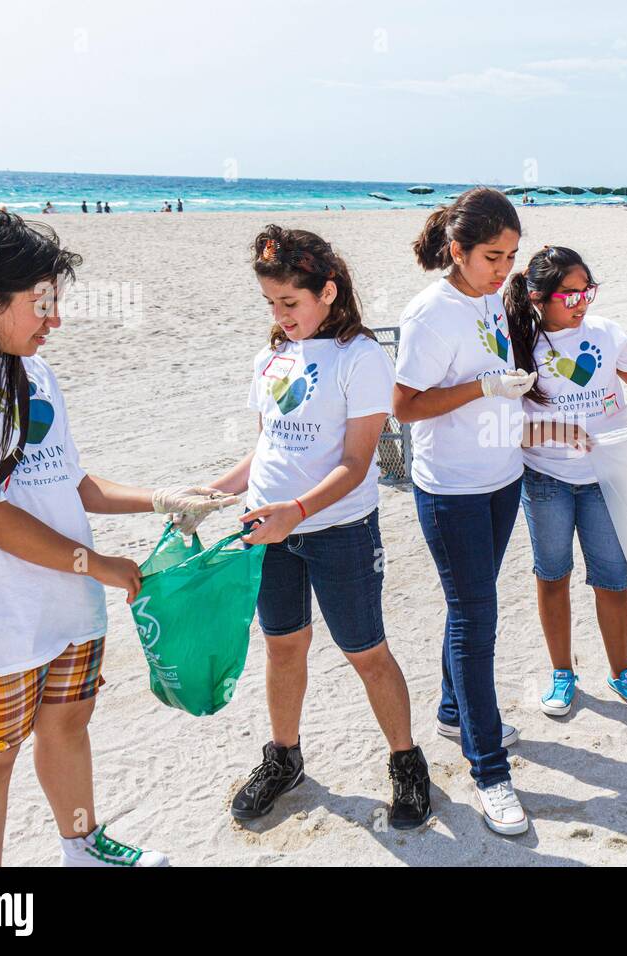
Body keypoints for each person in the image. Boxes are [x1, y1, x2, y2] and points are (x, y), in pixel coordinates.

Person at [0, 211, 236, 866]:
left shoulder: (30, 369)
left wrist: (159, 498)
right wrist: (97, 562)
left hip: (68, 605)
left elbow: (69, 481)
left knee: (70, 728)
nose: (55, 323)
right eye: (41, 306)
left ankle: (82, 847)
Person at [195, 226, 432, 829]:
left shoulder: (360, 356)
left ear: (327, 291)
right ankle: (285, 757)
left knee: (366, 651)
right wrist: (212, 493)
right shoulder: (271, 355)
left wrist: (295, 513)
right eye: (270, 304)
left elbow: (358, 464)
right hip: (265, 528)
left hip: (337, 531)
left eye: (290, 303)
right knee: (283, 647)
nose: (279, 315)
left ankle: (407, 763)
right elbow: (265, 449)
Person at [392, 187, 533, 836]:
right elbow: (405, 405)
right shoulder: (431, 313)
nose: (503, 268)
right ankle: (490, 770)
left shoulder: (493, 298)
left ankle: (452, 710)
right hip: (451, 489)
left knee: (468, 606)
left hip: (503, 478)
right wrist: (482, 387)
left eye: (510, 255)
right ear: (457, 251)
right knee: (478, 618)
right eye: (491, 256)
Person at [505, 246, 627, 719]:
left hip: (605, 477)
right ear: (538, 297)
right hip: (546, 480)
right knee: (552, 575)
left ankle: (622, 673)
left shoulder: (607, 334)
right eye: (570, 294)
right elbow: (503, 424)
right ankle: (563, 674)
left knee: (612, 578)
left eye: (587, 291)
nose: (582, 302)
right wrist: (555, 432)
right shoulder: (520, 346)